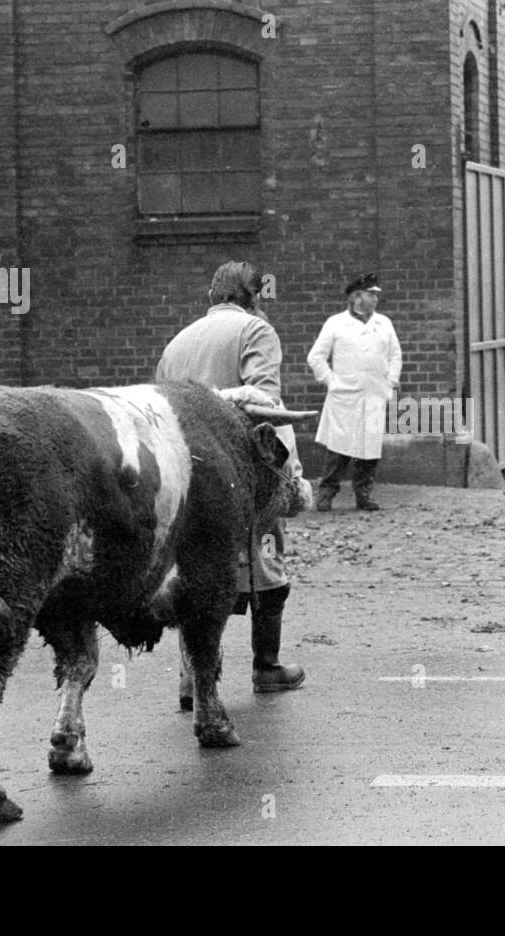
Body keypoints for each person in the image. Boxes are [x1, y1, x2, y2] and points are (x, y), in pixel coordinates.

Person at [156, 261, 306, 693]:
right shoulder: (256, 331)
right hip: (239, 470)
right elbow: (264, 402)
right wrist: (287, 476)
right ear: (253, 296)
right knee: (265, 558)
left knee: (197, 570)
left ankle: (192, 682)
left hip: (187, 472)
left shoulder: (177, 342)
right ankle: (266, 666)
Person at [307, 271, 402, 512]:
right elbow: (316, 357)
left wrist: (390, 382)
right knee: (339, 449)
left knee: (369, 450)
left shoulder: (384, 324)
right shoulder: (336, 323)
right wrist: (331, 381)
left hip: (374, 395)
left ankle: (364, 495)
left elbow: (395, 355)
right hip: (345, 397)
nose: (375, 299)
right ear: (355, 297)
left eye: (376, 295)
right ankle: (327, 494)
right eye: (371, 294)